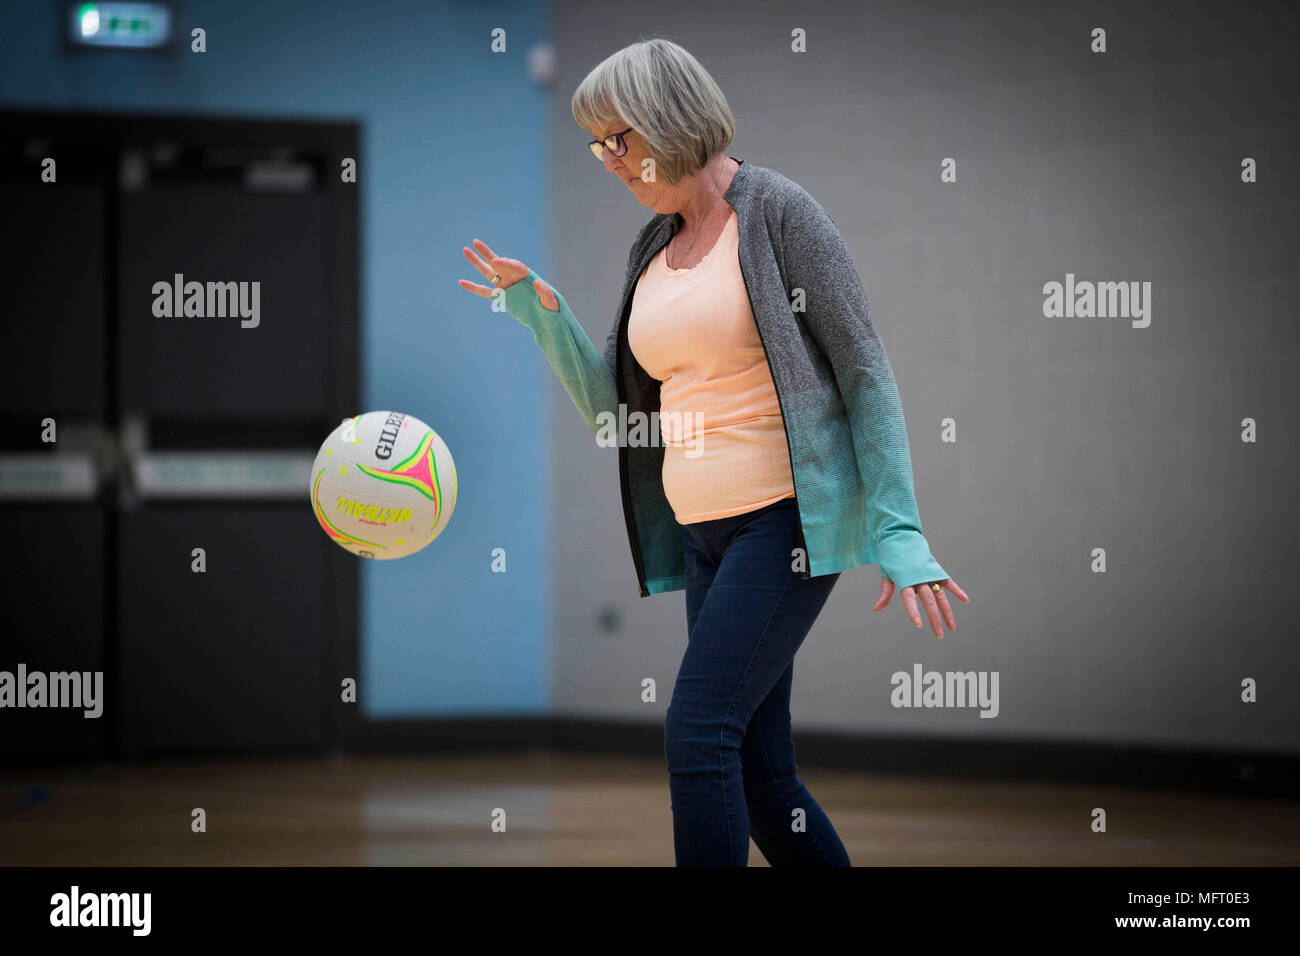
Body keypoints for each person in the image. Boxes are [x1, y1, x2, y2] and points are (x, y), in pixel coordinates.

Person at [458, 37, 969, 866]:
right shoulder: (650, 248)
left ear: (672, 118)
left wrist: (898, 529)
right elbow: (619, 415)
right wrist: (542, 314)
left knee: (698, 731)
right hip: (704, 535)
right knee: (763, 776)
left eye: (617, 139)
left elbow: (865, 371)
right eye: (597, 144)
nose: (607, 161)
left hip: (783, 525)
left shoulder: (779, 213)